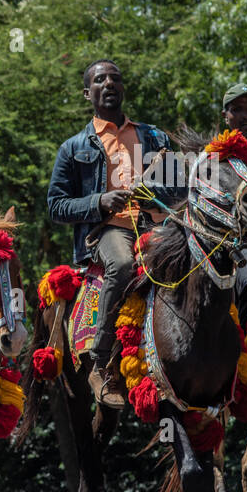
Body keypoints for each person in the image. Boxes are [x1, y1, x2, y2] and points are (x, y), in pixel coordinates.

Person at [46, 60, 180, 406]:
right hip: (111, 229)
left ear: (123, 89)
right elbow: (57, 206)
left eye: (115, 79)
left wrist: (156, 193)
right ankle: (101, 358)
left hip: (159, 226)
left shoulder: (155, 138)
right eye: (100, 79)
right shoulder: (74, 147)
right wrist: (101, 201)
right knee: (121, 265)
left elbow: (182, 189)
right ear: (87, 92)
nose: (109, 83)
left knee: (202, 261)